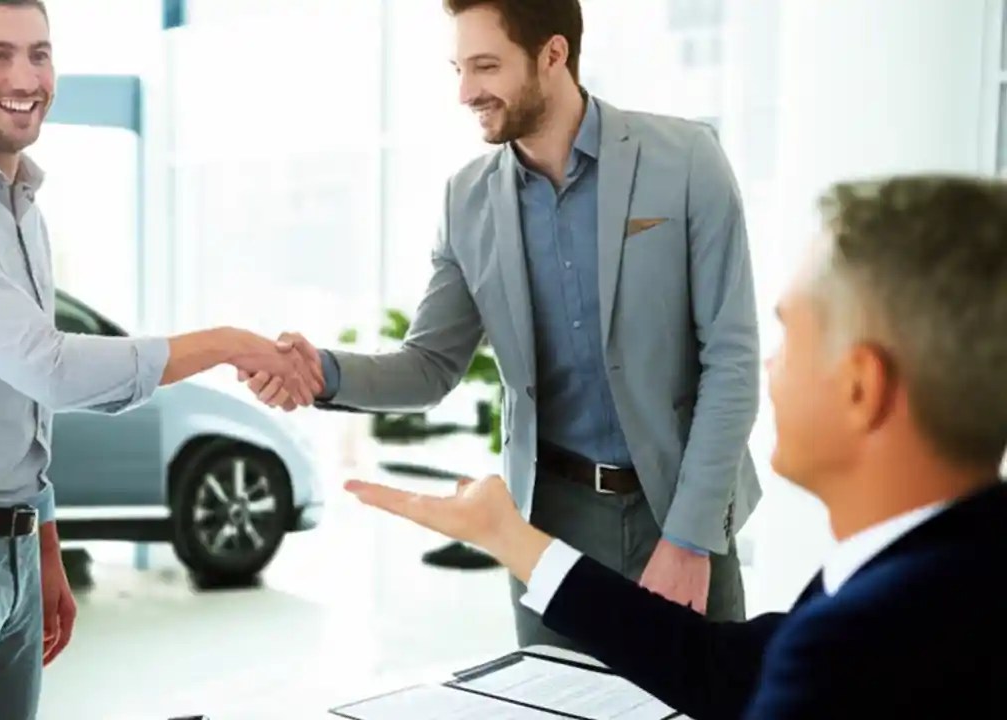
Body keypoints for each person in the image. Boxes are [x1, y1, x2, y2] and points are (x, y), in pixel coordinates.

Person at [347, 175, 1007, 718]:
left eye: (789, 339)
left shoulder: (852, 650)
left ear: (861, 387)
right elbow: (726, 669)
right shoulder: (954, 568)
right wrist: (509, 536)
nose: (768, 367)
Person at [0, 2, 321, 718]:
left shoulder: (20, 204)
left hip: (13, 548)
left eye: (40, 53)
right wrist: (228, 344)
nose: (26, 77)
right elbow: (49, 367)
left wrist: (42, 540)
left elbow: (17, 402)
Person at [242, 0, 760, 642]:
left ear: (553, 55)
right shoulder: (466, 200)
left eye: (485, 66)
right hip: (545, 530)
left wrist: (689, 537)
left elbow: (732, 362)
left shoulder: (686, 160)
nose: (465, 92)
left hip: (680, 513)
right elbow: (429, 366)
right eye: (458, 68)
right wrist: (324, 371)